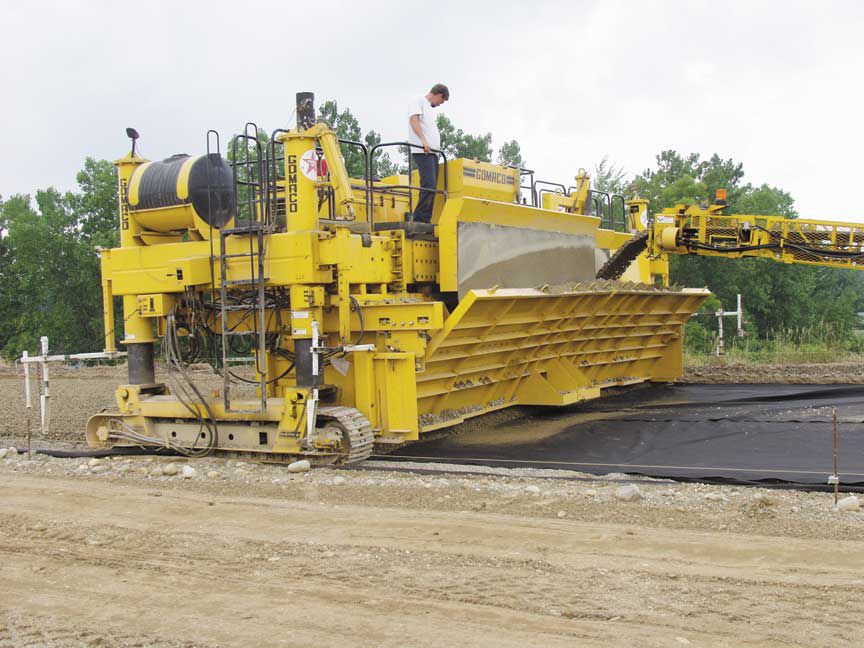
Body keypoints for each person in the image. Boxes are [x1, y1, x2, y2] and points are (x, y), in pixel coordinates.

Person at [408, 83, 449, 223]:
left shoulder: (428, 108)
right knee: (428, 184)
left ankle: (426, 218)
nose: (440, 104)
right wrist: (424, 142)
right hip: (422, 151)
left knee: (432, 187)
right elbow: (413, 120)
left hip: (432, 153)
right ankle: (420, 219)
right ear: (438, 95)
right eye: (441, 101)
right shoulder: (418, 100)